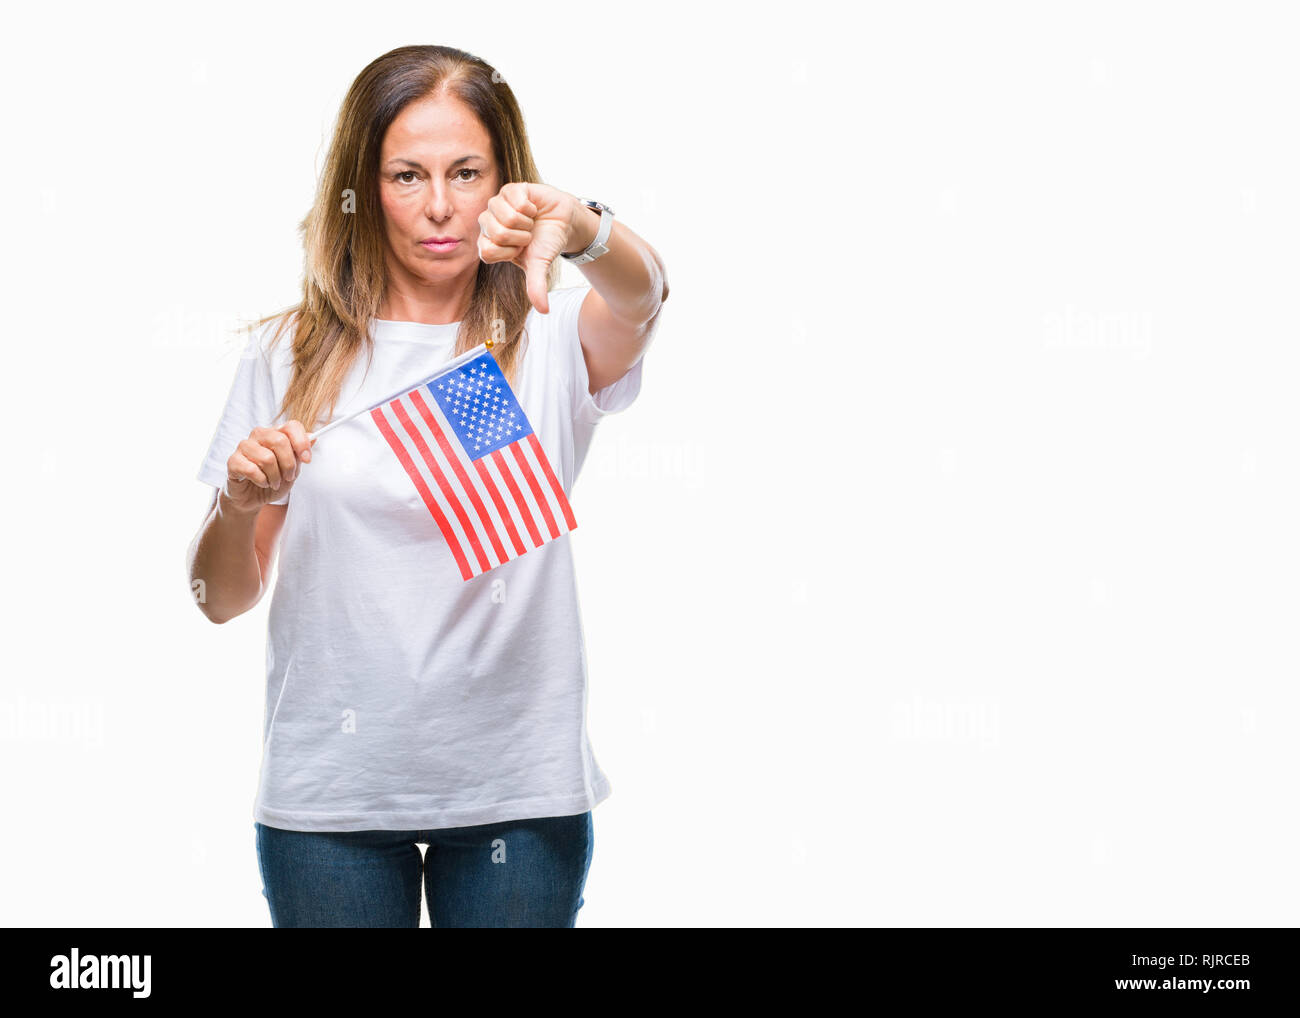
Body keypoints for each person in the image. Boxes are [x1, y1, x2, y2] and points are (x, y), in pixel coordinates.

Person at [185, 44, 668, 928]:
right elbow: (217, 599)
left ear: (504, 181)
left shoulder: (547, 333)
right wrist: (237, 502)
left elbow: (644, 297)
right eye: (407, 175)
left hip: (517, 796)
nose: (440, 206)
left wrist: (583, 223)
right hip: (329, 801)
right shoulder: (290, 354)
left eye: (466, 172)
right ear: (363, 188)